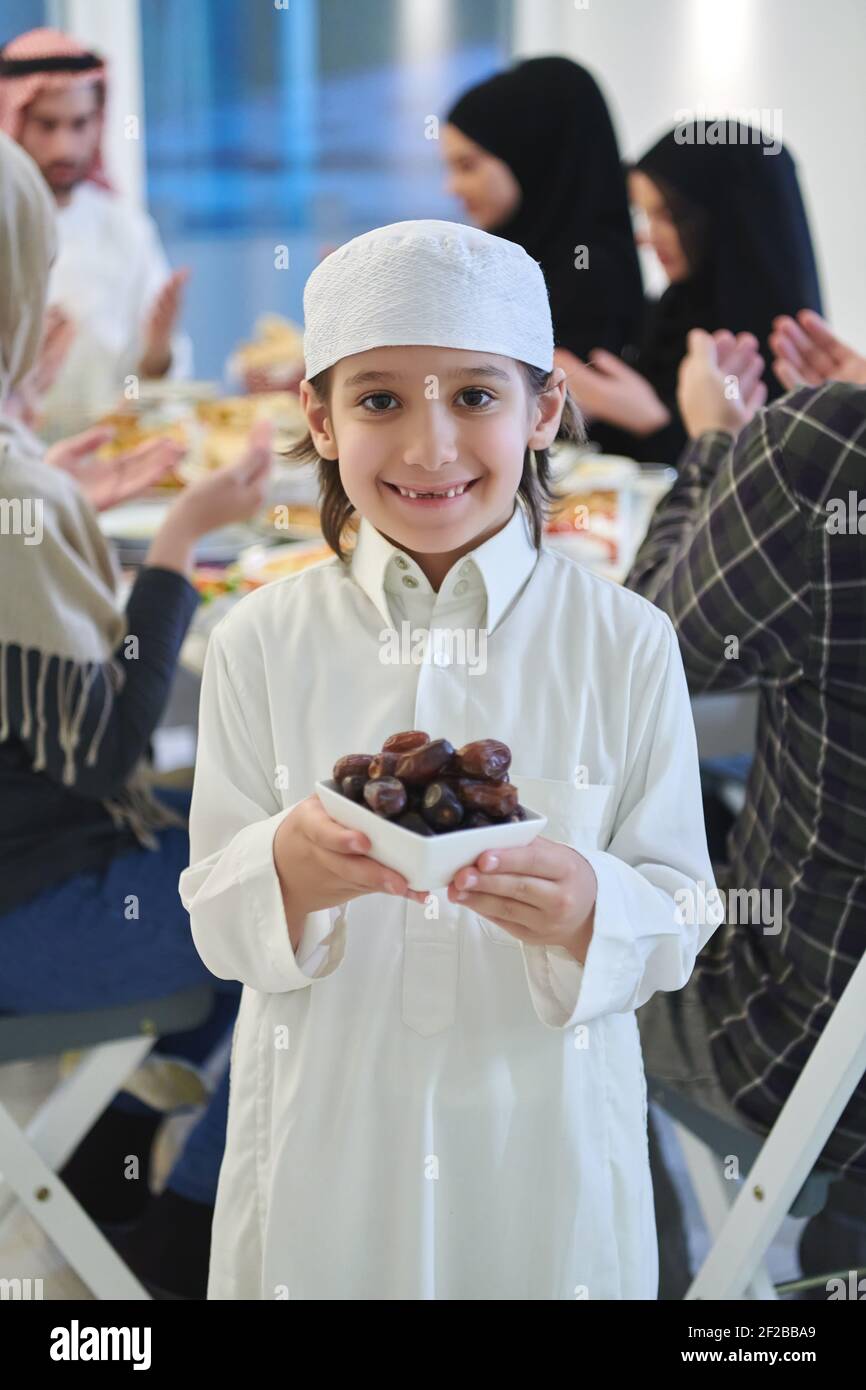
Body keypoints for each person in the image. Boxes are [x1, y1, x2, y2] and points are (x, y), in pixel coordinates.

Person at [179, 218, 724, 1300]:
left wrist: (588, 905)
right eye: (379, 398)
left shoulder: (621, 641)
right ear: (320, 420)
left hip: (545, 1129)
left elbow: (678, 910)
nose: (429, 447)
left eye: (474, 395)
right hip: (329, 1126)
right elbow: (211, 915)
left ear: (542, 412)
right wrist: (288, 868)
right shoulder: (259, 641)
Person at [0, 131, 272, 1300]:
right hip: (28, 910)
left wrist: (56, 491)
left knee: (243, 859)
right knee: (300, 924)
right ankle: (182, 1238)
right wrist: (175, 543)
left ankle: (109, 1145)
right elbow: (108, 740)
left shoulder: (18, 486)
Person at [625, 326, 866, 1297]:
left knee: (560, 946)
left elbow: (637, 662)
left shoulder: (828, 448)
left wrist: (716, 441)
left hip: (803, 1048)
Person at [559, 121, 823, 465]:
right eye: (645, 215)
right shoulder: (672, 308)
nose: (646, 237)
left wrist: (651, 421)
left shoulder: (785, 347)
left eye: (668, 216)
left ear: (727, 220)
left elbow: (755, 486)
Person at [0, 27, 192, 439]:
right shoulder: (7, 228)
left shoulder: (125, 229)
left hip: (108, 461)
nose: (64, 148)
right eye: (46, 126)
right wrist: (19, 374)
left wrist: (157, 353)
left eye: (79, 124)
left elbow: (150, 389)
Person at [443, 57, 644, 366]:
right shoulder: (507, 260)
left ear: (530, 158)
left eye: (467, 165)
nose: (452, 187)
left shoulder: (588, 273)